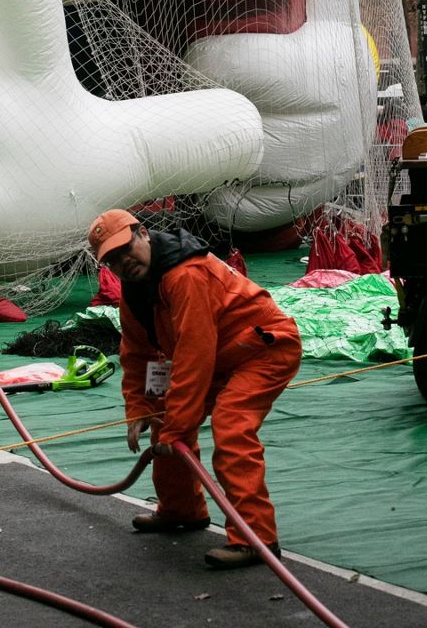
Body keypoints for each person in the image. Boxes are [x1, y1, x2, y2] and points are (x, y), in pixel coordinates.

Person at [88, 208, 301, 571]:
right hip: (220, 355)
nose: (123, 262)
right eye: (112, 260)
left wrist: (178, 426)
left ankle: (256, 538)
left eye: (126, 250)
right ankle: (181, 510)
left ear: (143, 234)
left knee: (231, 426)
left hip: (262, 350)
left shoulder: (185, 275)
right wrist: (139, 408)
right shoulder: (134, 291)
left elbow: (193, 352)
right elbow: (136, 352)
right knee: (163, 419)